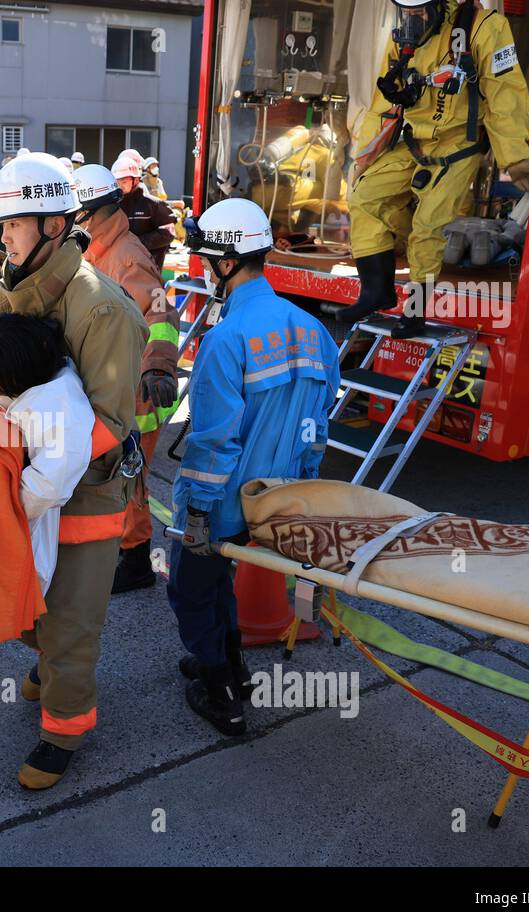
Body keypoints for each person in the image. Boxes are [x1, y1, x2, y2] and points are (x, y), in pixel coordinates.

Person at [0, 152, 147, 788]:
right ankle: (52, 664)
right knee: (16, 595)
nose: (2, 238)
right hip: (16, 483)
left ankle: (65, 727)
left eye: (13, 225)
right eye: (1, 226)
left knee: (71, 618)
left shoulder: (100, 309)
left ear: (54, 225)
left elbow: (111, 423)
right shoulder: (4, 291)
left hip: (85, 493)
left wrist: (27, 460)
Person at [171, 199, 340, 735]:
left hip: (223, 499)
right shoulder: (314, 331)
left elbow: (212, 441)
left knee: (193, 587)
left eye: (205, 259)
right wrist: (300, 486)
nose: (203, 268)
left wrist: (197, 511)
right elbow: (318, 427)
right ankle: (232, 667)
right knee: (221, 580)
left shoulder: (225, 340)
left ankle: (222, 691)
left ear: (225, 262)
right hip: (279, 495)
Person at [342, 0, 529, 337]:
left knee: (429, 226)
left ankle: (416, 310)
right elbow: (381, 103)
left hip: (457, 146)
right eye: (406, 12)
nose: (412, 19)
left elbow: (505, 93)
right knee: (365, 196)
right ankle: (376, 290)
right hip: (411, 139)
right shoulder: (405, 35)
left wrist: (514, 156)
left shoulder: (485, 27)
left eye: (419, 12)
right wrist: (364, 155)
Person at [71, 165, 179, 593]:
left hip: (137, 397)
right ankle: (124, 547)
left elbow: (159, 312)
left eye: (79, 214)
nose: (73, 222)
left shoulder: (126, 256)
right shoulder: (96, 249)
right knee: (115, 475)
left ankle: (136, 561)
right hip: (113, 388)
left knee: (127, 478)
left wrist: (158, 366)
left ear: (99, 211)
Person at [111, 153, 176, 270]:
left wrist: (137, 243)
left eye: (124, 182)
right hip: (120, 269)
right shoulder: (113, 206)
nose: (120, 186)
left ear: (135, 180)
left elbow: (168, 234)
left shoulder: (153, 204)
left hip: (148, 270)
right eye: (117, 182)